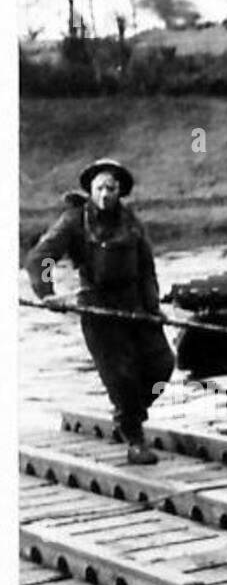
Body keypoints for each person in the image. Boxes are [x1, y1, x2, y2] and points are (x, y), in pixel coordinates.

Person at [25, 158, 175, 465]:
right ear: (90, 190)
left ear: (120, 191)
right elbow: (40, 256)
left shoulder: (131, 220)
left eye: (111, 187)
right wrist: (47, 293)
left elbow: (147, 268)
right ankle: (134, 438)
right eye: (99, 188)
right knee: (122, 376)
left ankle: (128, 414)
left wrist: (153, 307)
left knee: (163, 364)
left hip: (135, 306)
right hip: (99, 312)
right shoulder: (75, 220)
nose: (105, 194)